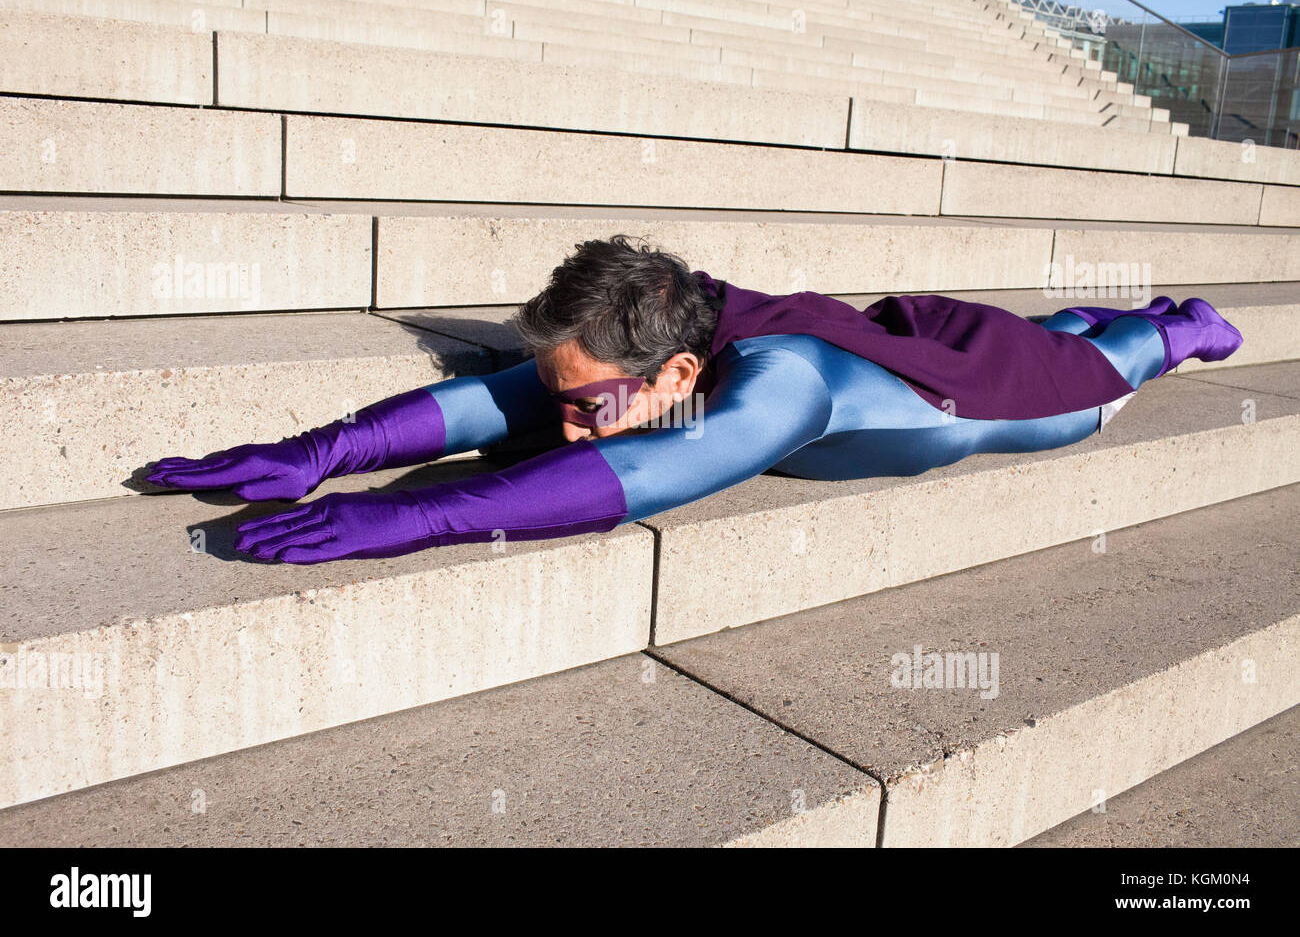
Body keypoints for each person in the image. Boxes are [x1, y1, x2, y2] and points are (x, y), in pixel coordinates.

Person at [145, 235, 1244, 564]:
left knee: (1104, 354)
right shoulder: (658, 331)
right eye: (562, 397)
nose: (558, 415)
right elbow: (513, 399)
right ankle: (1122, 320)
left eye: (585, 404)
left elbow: (634, 474)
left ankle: (1176, 322)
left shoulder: (779, 389)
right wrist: (317, 450)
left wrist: (415, 511)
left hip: (1028, 398)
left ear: (679, 376)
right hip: (923, 334)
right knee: (1040, 325)